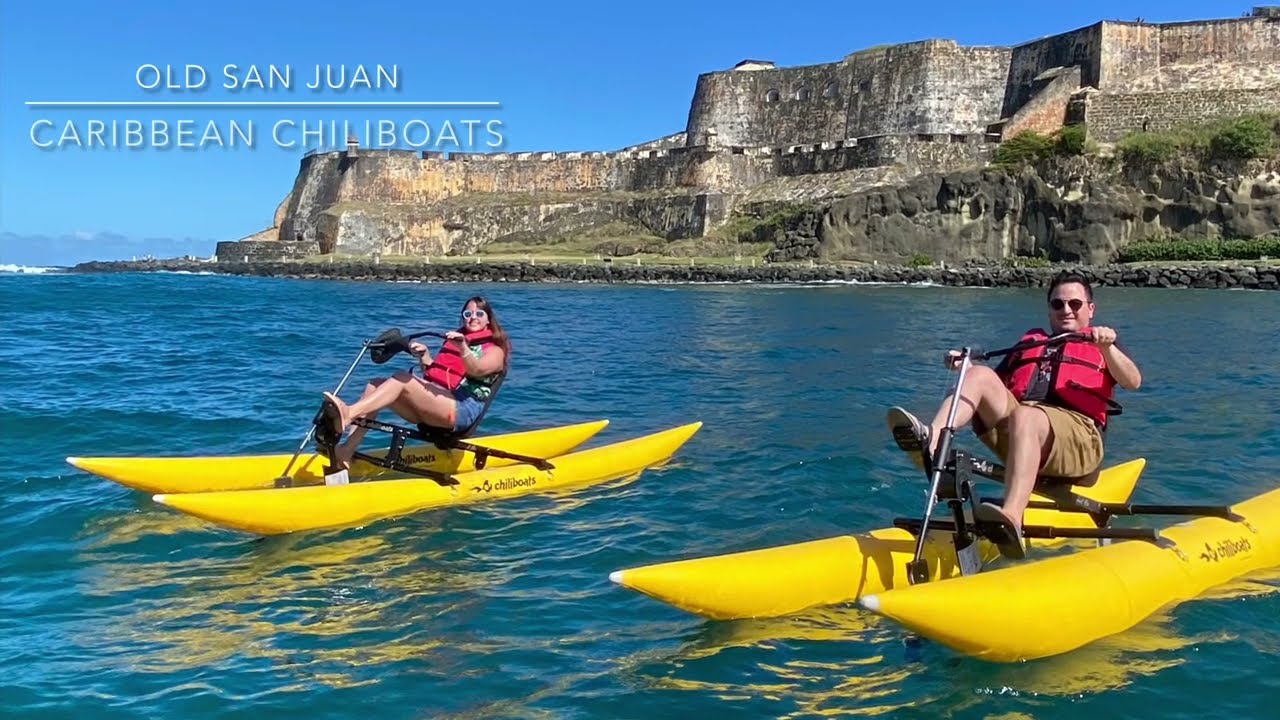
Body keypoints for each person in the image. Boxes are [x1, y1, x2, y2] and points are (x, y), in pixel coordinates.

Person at [886, 270, 1142, 559]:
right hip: (1023, 435)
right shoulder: (1032, 343)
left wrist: (1107, 348)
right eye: (1058, 304)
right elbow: (992, 388)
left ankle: (1012, 516)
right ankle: (932, 440)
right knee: (981, 375)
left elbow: (1133, 381)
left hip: (1079, 442)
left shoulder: (1103, 343)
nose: (1066, 310)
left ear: (1090, 309)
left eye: (1075, 304)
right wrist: (964, 367)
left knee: (1025, 416)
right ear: (1049, 309)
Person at [321, 296, 511, 471]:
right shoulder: (457, 342)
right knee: (375, 385)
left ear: (488, 320)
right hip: (440, 403)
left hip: (461, 410)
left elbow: (476, 369)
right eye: (468, 314)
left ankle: (348, 414)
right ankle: (347, 450)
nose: (473, 318)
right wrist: (425, 356)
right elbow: (436, 379)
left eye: (479, 314)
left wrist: (462, 347)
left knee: (402, 378)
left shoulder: (495, 351)